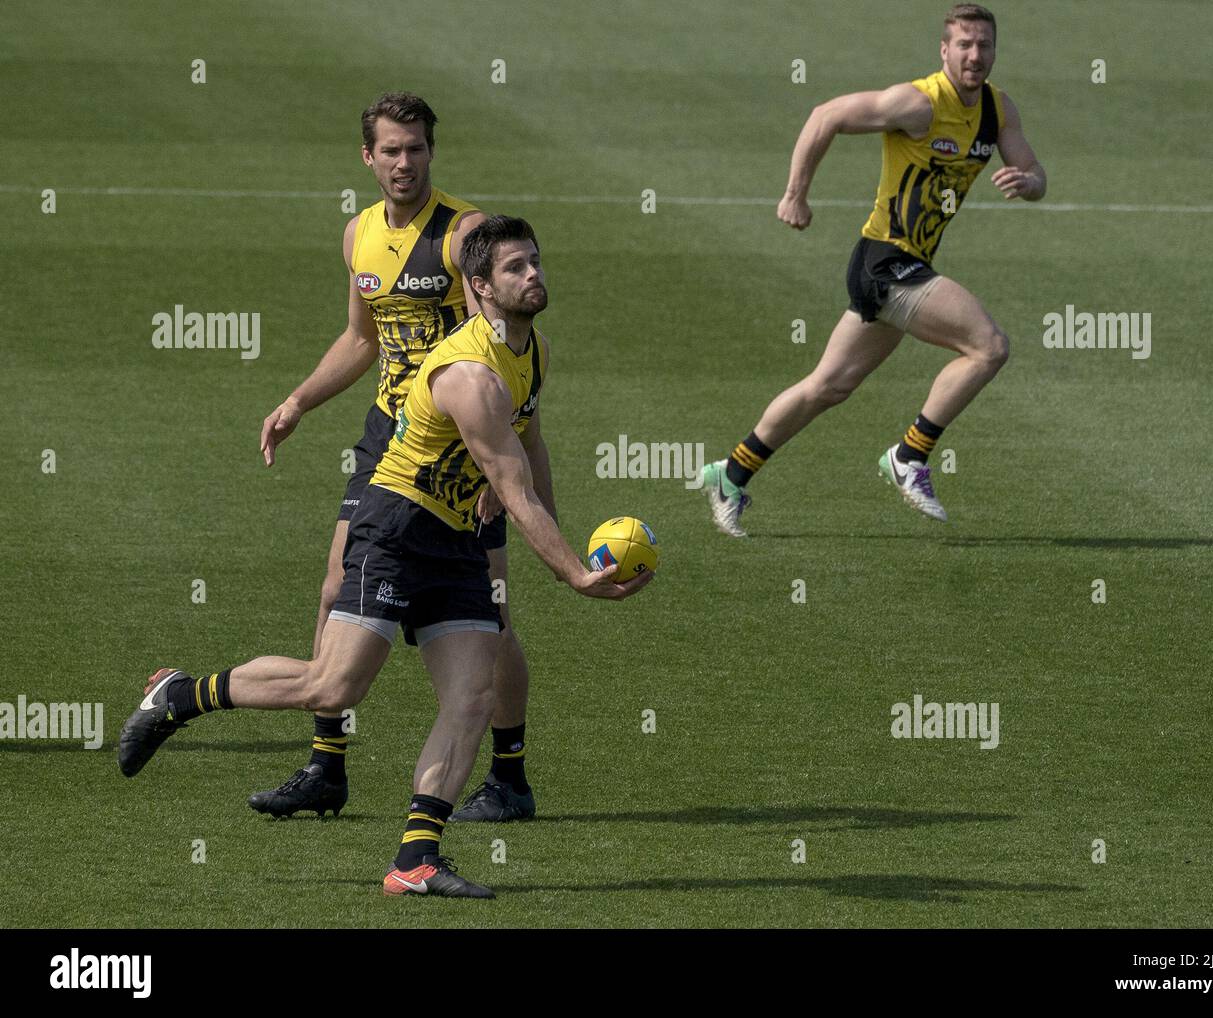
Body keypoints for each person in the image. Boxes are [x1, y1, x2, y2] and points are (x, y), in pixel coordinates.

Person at [119, 216, 652, 898]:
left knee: (472, 693)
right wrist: (572, 573)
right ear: (480, 286)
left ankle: (415, 860)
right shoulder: (470, 374)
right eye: (516, 268)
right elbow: (511, 480)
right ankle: (181, 696)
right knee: (332, 688)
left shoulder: (534, 350)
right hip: (397, 530)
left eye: (536, 262)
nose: (534, 275)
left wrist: (564, 537)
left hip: (455, 542)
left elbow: (530, 446)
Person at [253, 92, 541, 823]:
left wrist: (497, 466)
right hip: (388, 434)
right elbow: (360, 339)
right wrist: (296, 402)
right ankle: (326, 764)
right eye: (391, 150)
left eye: (416, 148)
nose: (404, 162)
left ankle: (508, 776)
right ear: (368, 158)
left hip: (461, 440)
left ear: (430, 153)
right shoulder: (359, 237)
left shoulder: (463, 233)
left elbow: (502, 345)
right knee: (333, 589)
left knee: (491, 611)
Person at [699, 4, 1045, 535]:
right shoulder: (919, 103)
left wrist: (1028, 184)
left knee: (828, 386)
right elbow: (826, 115)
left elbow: (1034, 172)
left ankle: (732, 473)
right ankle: (910, 455)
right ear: (944, 51)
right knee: (988, 346)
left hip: (906, 265)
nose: (976, 55)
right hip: (886, 261)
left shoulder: (998, 111)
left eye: (985, 46)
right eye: (965, 45)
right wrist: (795, 195)